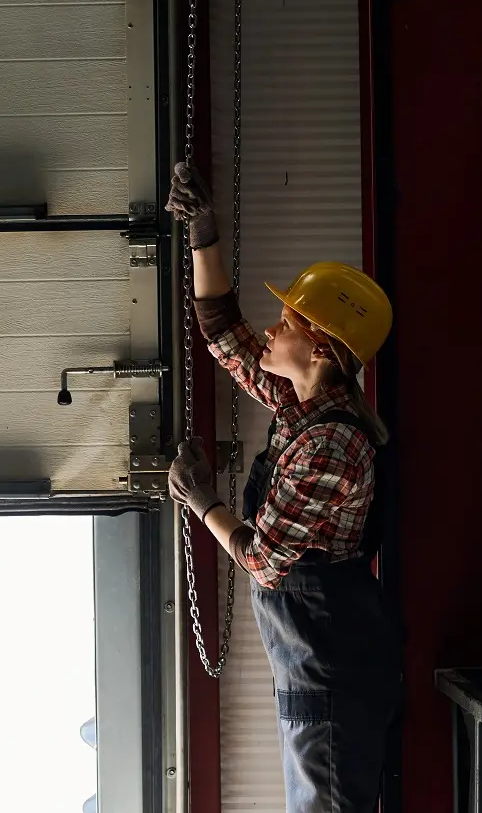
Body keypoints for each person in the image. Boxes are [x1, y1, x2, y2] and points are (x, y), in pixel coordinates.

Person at [165, 162, 403, 813]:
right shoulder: (300, 405)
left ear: (322, 349)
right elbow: (221, 331)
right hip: (319, 665)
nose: (273, 328)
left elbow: (265, 560)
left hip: (330, 670)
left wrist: (200, 499)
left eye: (289, 319)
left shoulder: (332, 443)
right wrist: (203, 232)